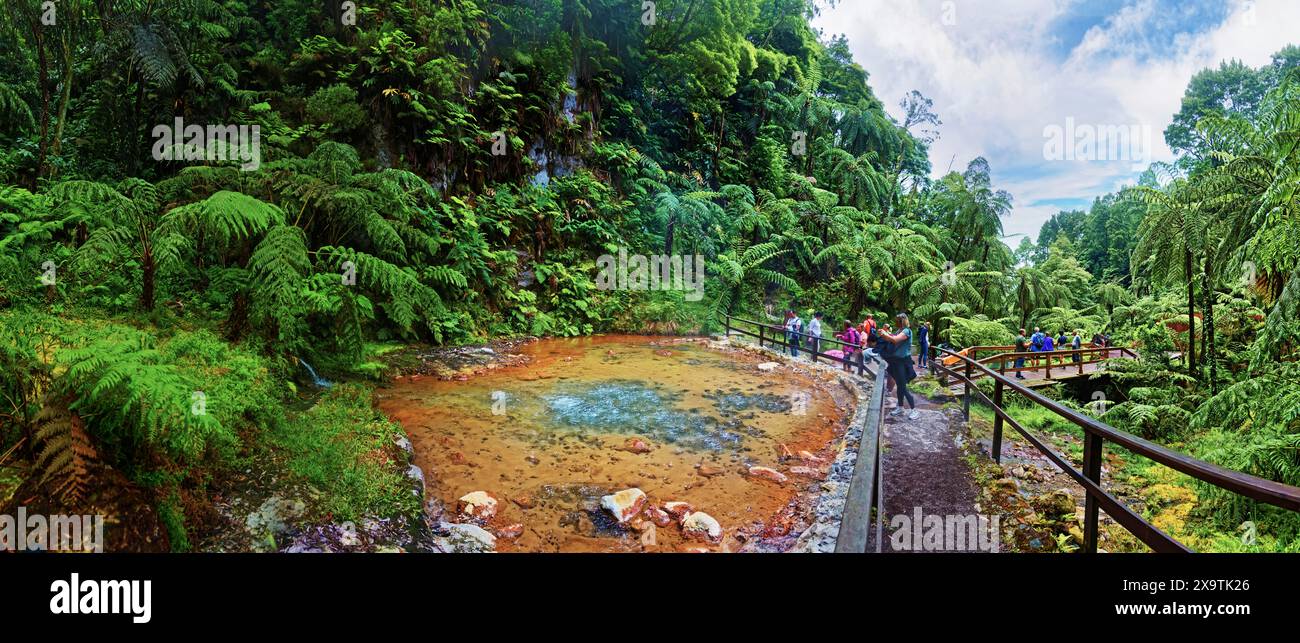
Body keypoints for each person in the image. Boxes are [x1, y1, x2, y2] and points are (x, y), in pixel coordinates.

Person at [878, 313, 920, 420]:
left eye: (897, 320)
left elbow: (895, 340)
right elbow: (892, 338)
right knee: (900, 386)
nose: (895, 322)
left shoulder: (906, 331)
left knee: (902, 386)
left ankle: (914, 410)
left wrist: (884, 334)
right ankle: (900, 407)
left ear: (902, 321)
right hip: (895, 361)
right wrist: (885, 334)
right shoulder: (898, 331)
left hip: (903, 362)